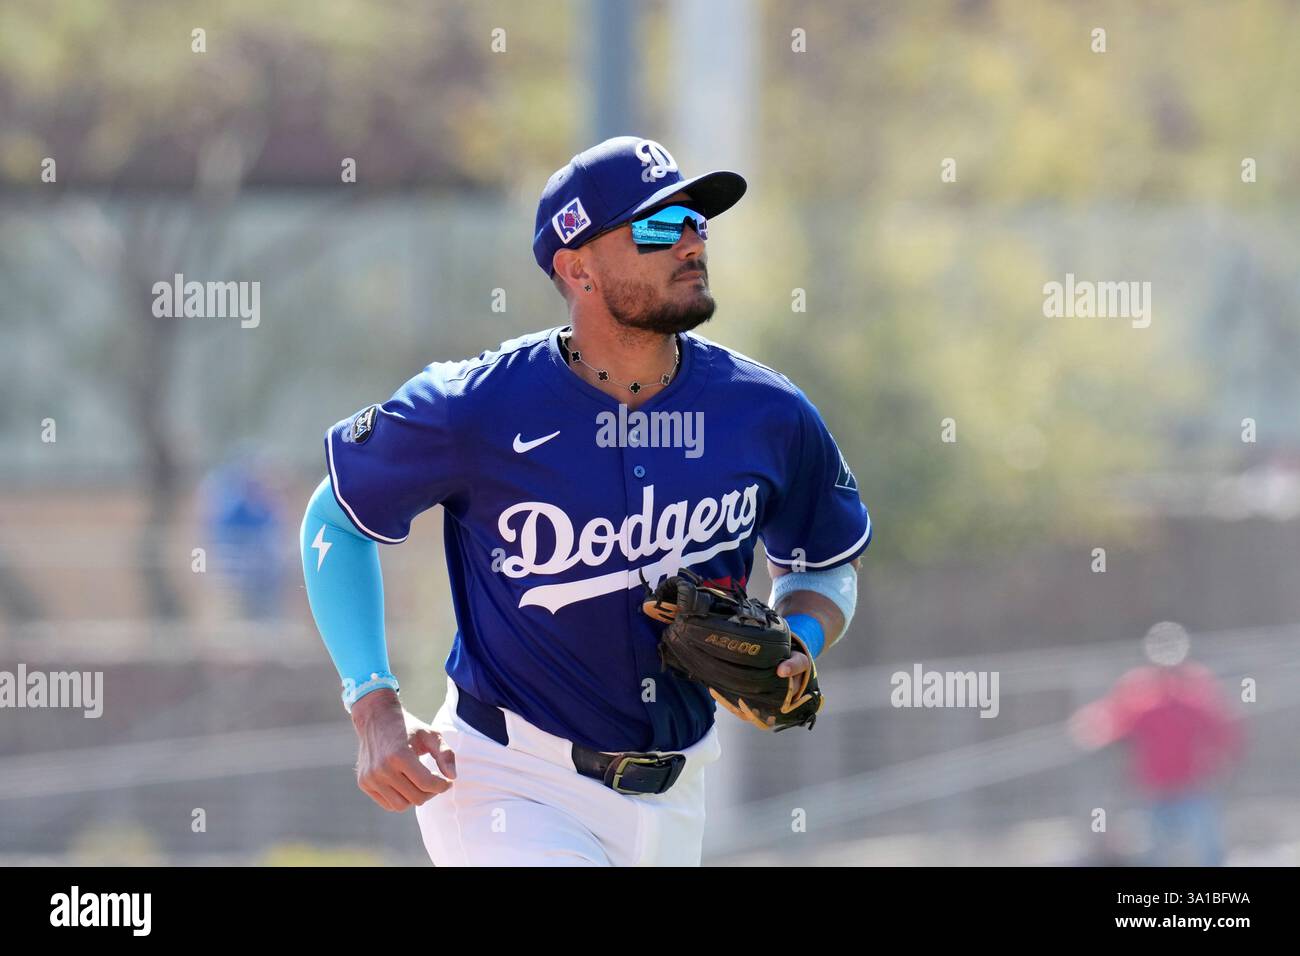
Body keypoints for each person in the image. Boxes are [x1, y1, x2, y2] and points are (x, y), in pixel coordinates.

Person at [299, 136, 872, 866]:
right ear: (577, 268)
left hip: (678, 793)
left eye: (697, 221)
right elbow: (333, 519)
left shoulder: (767, 411)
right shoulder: (474, 407)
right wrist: (374, 706)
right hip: (509, 783)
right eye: (660, 227)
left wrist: (802, 642)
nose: (691, 242)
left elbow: (826, 563)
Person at [1069, 622, 1243, 866]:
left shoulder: (1197, 687)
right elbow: (1112, 717)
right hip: (1155, 790)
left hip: (1191, 787)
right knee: (1155, 853)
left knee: (1208, 849)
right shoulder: (1140, 691)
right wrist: (1091, 727)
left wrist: (1225, 759)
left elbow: (1222, 726)